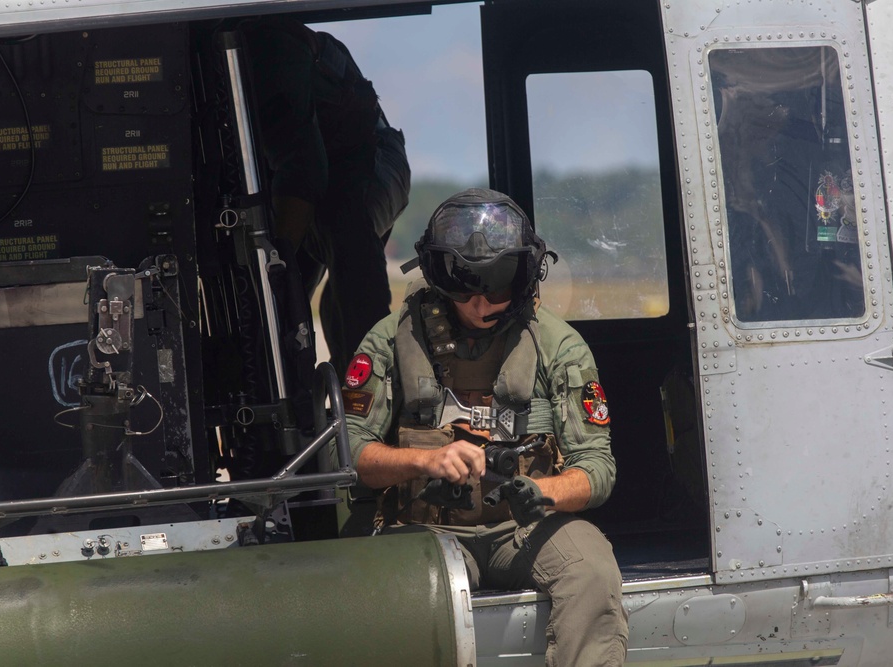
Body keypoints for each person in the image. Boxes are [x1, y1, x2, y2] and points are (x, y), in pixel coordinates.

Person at [343, 188, 628, 666]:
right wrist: (425, 459)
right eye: (466, 288)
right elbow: (351, 453)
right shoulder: (390, 340)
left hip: (521, 530)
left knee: (593, 575)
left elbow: (597, 467)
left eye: (495, 290)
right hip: (424, 530)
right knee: (387, 600)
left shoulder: (560, 348)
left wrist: (545, 493)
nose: (479, 306)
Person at [244, 17, 411, 379]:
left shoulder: (272, 49)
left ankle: (373, 392)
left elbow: (304, 170)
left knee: (334, 238)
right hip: (309, 178)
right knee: (285, 305)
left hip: (371, 165)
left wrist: (278, 270)